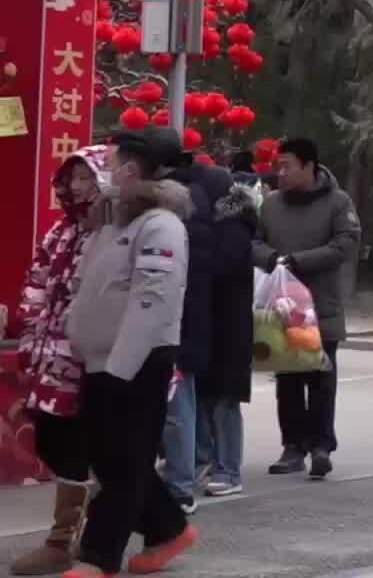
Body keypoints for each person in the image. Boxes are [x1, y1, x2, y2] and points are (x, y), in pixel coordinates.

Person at [66, 129, 197, 576]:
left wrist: (122, 365)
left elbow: (152, 299)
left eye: (108, 160)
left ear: (132, 169)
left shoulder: (162, 225)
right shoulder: (114, 221)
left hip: (137, 360)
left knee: (123, 462)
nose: (99, 170)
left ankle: (98, 557)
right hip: (99, 358)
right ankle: (168, 527)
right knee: (110, 454)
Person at [8, 146, 107, 576]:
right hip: (49, 356)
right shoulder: (62, 231)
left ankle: (66, 538)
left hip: (87, 357)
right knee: (50, 438)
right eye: (74, 178)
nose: (79, 186)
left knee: (81, 444)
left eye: (87, 177)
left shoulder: (111, 232)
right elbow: (38, 280)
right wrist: (29, 324)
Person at [254, 137, 360, 479]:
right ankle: (293, 446)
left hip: (320, 306)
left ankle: (321, 446)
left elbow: (346, 244)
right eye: (278, 166)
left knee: (321, 376)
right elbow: (253, 241)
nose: (280, 173)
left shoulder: (338, 202)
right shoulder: (270, 205)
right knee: (288, 378)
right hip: (282, 307)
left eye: (287, 166)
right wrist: (271, 259)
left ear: (309, 167)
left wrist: (299, 261)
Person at [157, 142, 236, 512]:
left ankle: (205, 474)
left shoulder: (197, 228)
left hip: (202, 322)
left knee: (195, 402)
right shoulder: (210, 223)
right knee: (192, 401)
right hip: (204, 320)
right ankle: (195, 467)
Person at [195, 168, 262, 500]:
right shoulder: (218, 226)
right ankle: (211, 460)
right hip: (214, 323)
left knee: (225, 400)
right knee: (208, 397)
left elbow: (220, 269)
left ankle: (229, 469)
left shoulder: (232, 228)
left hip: (230, 326)